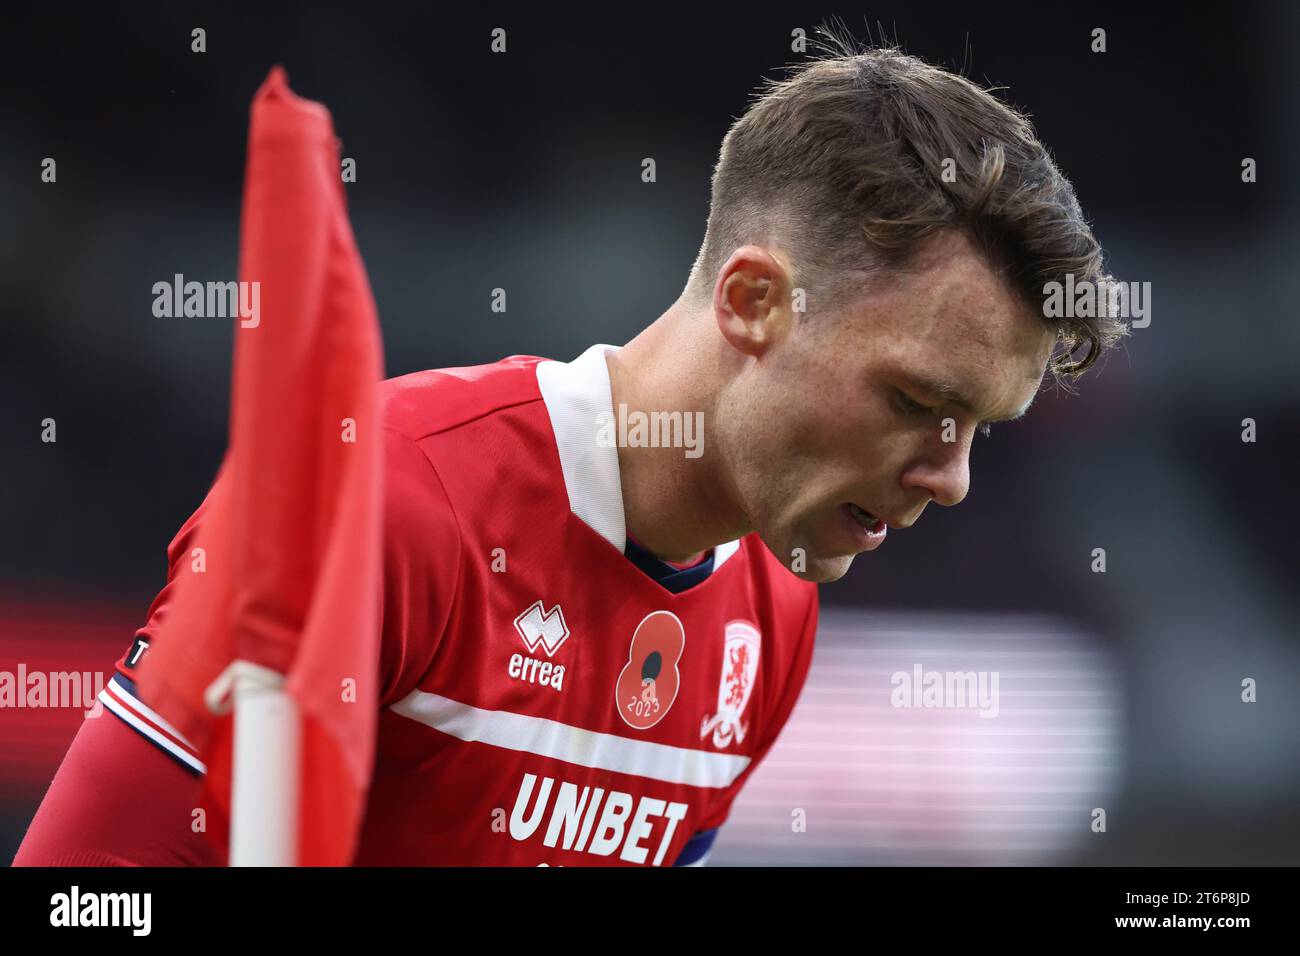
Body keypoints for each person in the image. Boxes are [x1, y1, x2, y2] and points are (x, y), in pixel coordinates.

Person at [14, 39, 1125, 867]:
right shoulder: (381, 502)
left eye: (979, 426)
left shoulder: (770, 616)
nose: (952, 476)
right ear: (750, 302)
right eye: (914, 399)